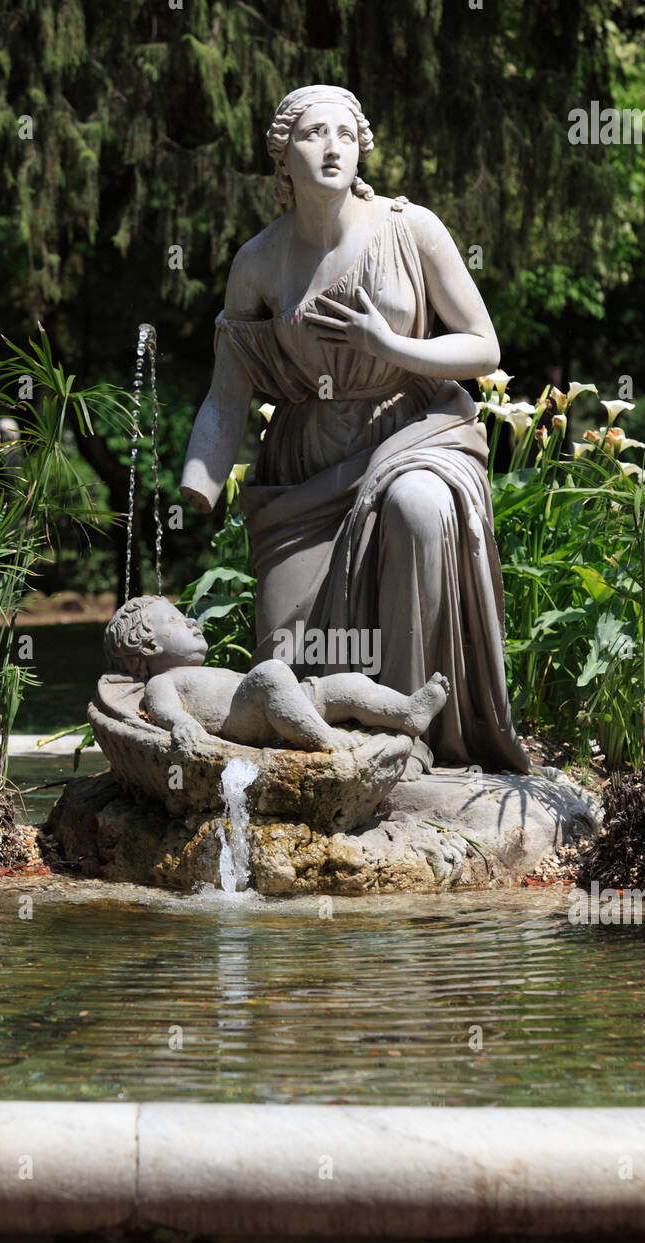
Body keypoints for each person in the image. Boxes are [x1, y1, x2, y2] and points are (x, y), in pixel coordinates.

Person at [179, 84, 529, 778]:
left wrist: (388, 344)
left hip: (413, 431)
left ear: (361, 145)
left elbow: (484, 347)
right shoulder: (259, 260)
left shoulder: (411, 229)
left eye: (346, 132)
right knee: (283, 664)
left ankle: (410, 736)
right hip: (309, 467)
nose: (333, 146)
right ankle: (332, 755)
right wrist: (197, 484)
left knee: (418, 508)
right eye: (313, 134)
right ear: (282, 156)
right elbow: (227, 393)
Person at [104, 595, 449, 752]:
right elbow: (164, 708)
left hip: (282, 705)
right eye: (176, 620)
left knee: (346, 683)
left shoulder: (199, 671)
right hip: (242, 723)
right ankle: (325, 739)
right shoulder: (163, 681)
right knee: (269, 673)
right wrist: (179, 723)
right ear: (148, 648)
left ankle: (407, 711)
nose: (192, 621)